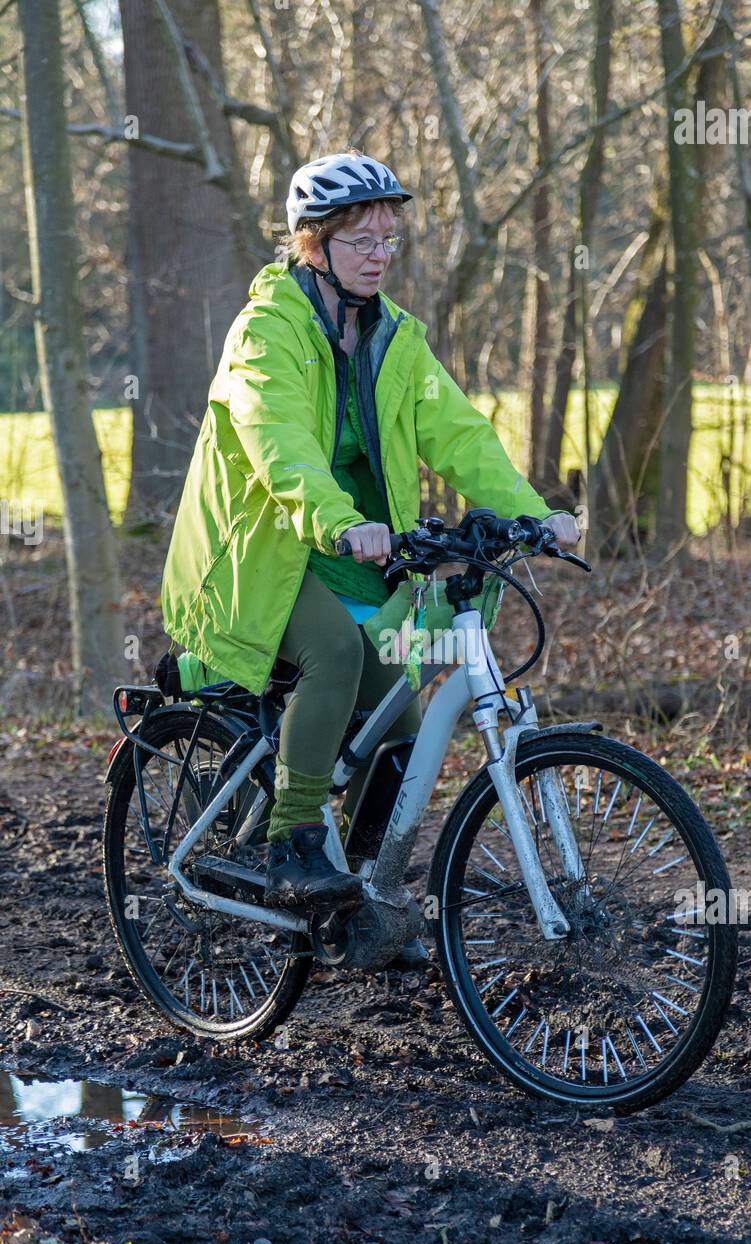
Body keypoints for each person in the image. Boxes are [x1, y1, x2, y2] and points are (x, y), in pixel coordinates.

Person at [160, 150, 579, 960]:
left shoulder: (393, 337)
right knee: (337, 652)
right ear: (312, 244)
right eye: (361, 239)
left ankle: (357, 901)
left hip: (346, 547)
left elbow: (459, 435)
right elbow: (276, 441)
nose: (380, 252)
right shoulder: (268, 330)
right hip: (259, 546)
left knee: (405, 712)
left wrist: (534, 515)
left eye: (389, 237)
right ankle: (291, 843)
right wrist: (339, 519)